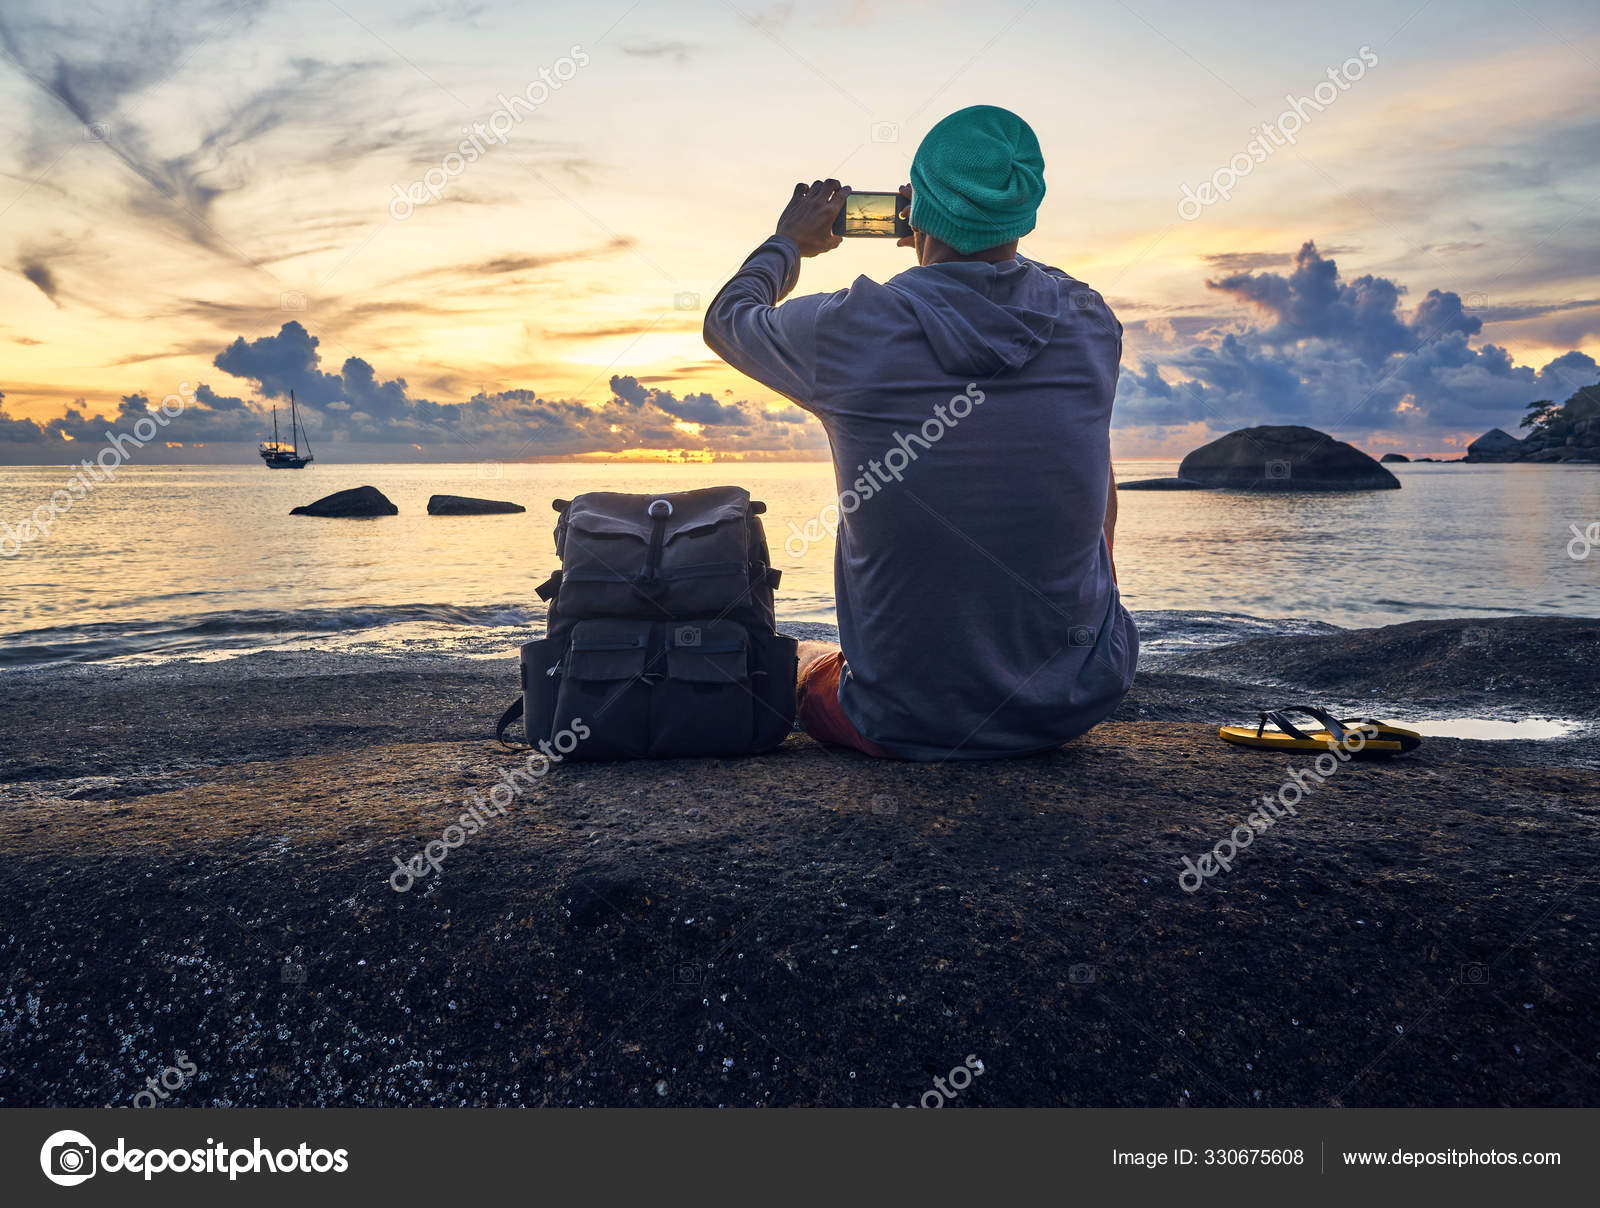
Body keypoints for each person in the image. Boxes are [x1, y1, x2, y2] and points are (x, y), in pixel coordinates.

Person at [704, 104, 1137, 760]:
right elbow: (1013, 277)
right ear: (1025, 212)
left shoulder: (850, 328)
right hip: (1077, 701)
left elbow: (729, 317)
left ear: (916, 209)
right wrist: (954, 232)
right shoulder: (1089, 321)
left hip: (902, 722)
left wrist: (789, 242)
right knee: (1096, 463)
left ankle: (880, 677)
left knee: (803, 665)